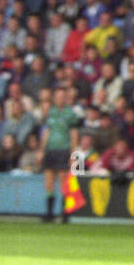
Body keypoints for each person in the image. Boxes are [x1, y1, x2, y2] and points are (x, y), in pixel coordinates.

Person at [38, 86, 81, 223]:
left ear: (66, 98)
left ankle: (64, 214)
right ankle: (49, 213)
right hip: (51, 149)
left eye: (63, 96)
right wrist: (41, 150)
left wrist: (73, 154)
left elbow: (74, 134)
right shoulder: (51, 112)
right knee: (49, 182)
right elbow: (46, 132)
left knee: (64, 182)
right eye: (58, 96)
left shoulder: (70, 114)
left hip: (63, 149)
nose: (60, 99)